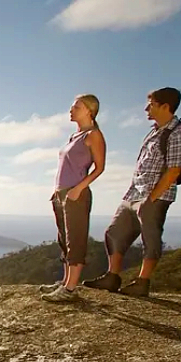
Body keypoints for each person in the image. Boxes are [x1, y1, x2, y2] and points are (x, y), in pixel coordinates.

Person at [83, 87, 181, 297]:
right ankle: (112, 277)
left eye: (151, 104)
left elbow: (174, 170)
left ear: (165, 106)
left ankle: (142, 282)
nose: (146, 108)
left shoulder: (180, 134)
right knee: (113, 232)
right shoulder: (154, 131)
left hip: (155, 196)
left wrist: (151, 199)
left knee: (150, 239)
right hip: (134, 194)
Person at [42, 94, 107, 302]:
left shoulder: (94, 135)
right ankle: (65, 281)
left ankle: (70, 289)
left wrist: (79, 188)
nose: (71, 110)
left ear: (89, 110)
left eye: (76, 107)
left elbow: (100, 167)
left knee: (75, 240)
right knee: (64, 239)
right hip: (61, 193)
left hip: (75, 193)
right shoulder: (74, 136)